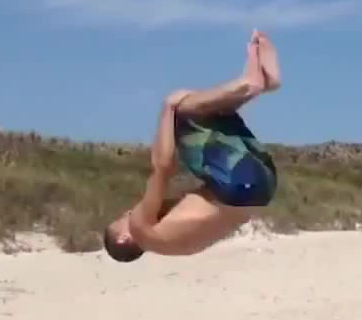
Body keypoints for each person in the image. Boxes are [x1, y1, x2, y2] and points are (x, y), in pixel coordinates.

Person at [102, 31, 282, 262]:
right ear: (123, 239)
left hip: (263, 187)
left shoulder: (178, 245)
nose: (127, 213)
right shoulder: (140, 230)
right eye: (120, 220)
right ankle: (250, 83)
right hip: (239, 185)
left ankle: (259, 83)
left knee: (208, 117)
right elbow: (163, 166)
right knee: (182, 113)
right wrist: (168, 108)